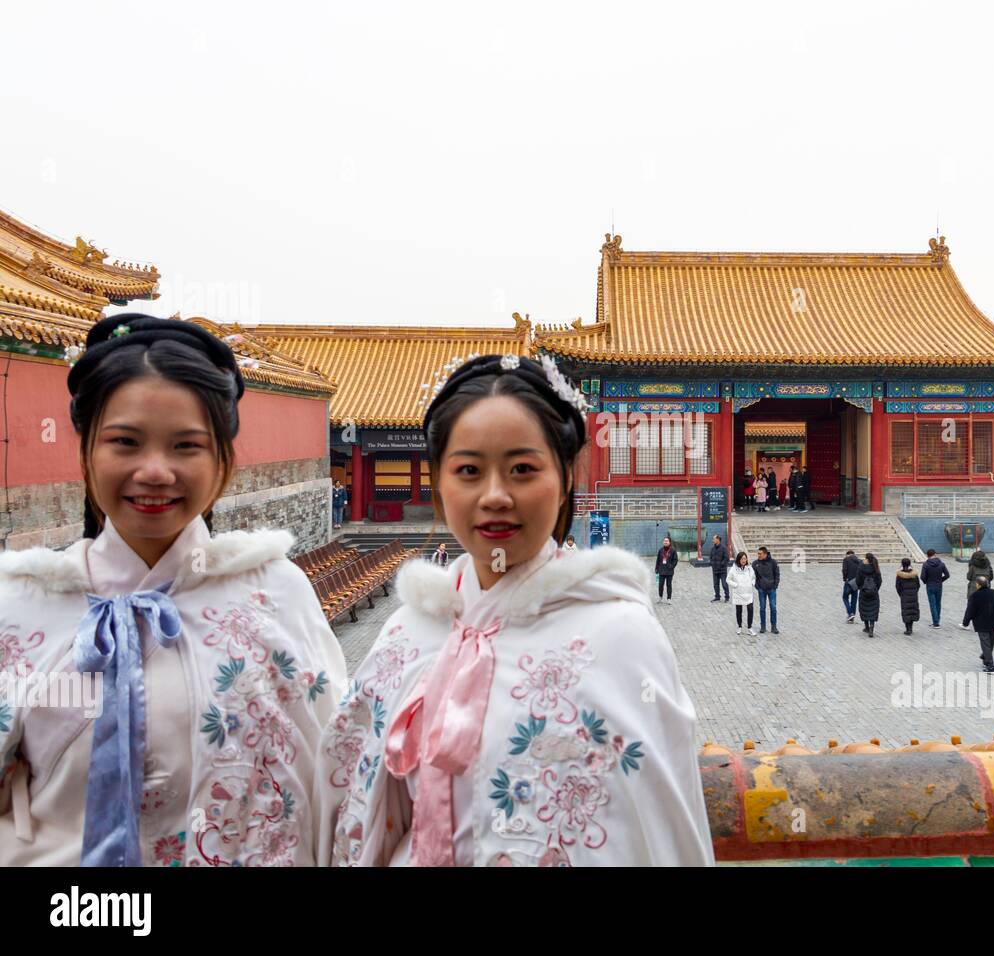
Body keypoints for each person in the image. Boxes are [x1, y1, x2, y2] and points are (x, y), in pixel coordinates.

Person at [317, 353, 713, 866]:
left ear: (567, 474)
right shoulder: (408, 632)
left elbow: (661, 831)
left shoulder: (620, 637)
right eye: (469, 471)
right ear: (439, 479)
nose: (496, 496)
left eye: (523, 469)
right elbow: (350, 802)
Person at [0, 314, 346, 866]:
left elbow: (337, 771)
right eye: (125, 442)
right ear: (86, 448)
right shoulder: (20, 603)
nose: (155, 471)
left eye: (186, 446)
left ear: (222, 460)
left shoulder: (272, 593)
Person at [962, 576, 994, 673]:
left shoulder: (975, 596)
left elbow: (970, 611)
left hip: (982, 623)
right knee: (990, 643)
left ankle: (990, 666)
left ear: (978, 585)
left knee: (986, 644)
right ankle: (986, 657)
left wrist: (965, 622)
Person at [752, 545, 780, 635]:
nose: (758, 555)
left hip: (771, 589)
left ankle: (773, 626)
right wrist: (757, 586)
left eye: (760, 554)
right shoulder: (755, 563)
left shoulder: (773, 563)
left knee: (773, 607)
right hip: (761, 590)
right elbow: (752, 576)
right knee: (762, 608)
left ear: (765, 554)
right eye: (758, 554)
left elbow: (777, 574)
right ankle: (763, 626)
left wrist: (775, 585)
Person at [919, 548, 950, 628]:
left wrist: (927, 581)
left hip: (930, 586)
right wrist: (941, 580)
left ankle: (935, 622)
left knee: (932, 604)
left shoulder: (926, 564)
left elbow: (922, 577)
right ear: (935, 554)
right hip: (939, 585)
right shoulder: (941, 564)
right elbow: (947, 575)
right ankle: (937, 620)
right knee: (938, 603)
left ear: (927, 556)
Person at [728, 551, 757, 636]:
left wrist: (752, 583)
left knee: (750, 610)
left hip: (748, 593)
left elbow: (754, 577)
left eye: (745, 558)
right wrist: (735, 585)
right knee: (739, 610)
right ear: (738, 559)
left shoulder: (749, 568)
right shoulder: (734, 569)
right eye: (742, 559)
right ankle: (739, 626)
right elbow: (728, 579)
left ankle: (749, 627)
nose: (744, 560)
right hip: (738, 593)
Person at [963, 549, 994, 628]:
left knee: (970, 607)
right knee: (985, 606)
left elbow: (968, 577)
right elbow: (991, 577)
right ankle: (984, 623)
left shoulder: (972, 566)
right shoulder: (988, 565)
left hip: (974, 588)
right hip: (986, 588)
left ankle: (965, 624)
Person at [855, 552, 883, 637]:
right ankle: (871, 627)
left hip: (863, 592)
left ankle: (866, 627)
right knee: (873, 610)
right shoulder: (876, 567)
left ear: (867, 559)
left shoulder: (861, 567)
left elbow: (858, 580)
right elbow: (879, 581)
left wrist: (861, 587)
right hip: (874, 593)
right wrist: (875, 589)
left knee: (864, 609)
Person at [895, 558, 921, 635]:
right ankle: (911, 627)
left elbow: (897, 586)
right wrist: (914, 592)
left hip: (904, 595)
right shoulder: (914, 574)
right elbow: (918, 585)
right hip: (913, 595)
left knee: (906, 611)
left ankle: (907, 628)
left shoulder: (899, 575)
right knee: (912, 610)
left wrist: (901, 594)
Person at [655, 535, 679, 604]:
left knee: (669, 585)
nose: (665, 542)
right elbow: (658, 560)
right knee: (660, 585)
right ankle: (660, 597)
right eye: (664, 541)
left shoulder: (673, 550)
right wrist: (656, 568)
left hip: (669, 571)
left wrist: (671, 566)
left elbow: (675, 560)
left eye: (667, 541)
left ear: (670, 542)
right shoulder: (660, 550)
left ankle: (669, 598)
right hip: (661, 571)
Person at [841, 549, 862, 623]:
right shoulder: (859, 561)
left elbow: (844, 570)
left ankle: (850, 613)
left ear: (847, 554)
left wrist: (844, 578)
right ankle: (852, 616)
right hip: (856, 582)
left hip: (849, 581)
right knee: (854, 599)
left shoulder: (846, 559)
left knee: (845, 597)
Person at [709, 533, 730, 602]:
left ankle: (727, 596)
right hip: (714, 570)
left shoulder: (724, 548)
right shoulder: (712, 549)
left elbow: (727, 558)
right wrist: (712, 563)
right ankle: (717, 596)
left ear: (718, 539)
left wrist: (721, 564)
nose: (713, 540)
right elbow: (711, 557)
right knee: (715, 584)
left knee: (724, 584)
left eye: (714, 539)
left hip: (722, 570)